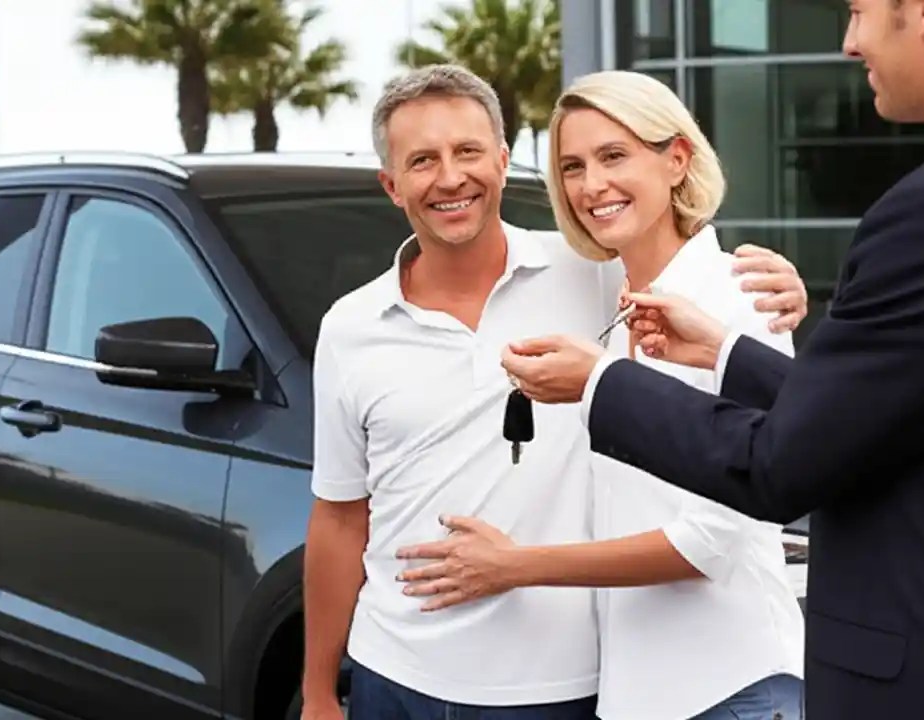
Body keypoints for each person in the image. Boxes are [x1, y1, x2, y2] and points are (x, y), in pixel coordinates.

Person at [497, 2, 924, 718]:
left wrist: (600, 385)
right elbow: (877, 416)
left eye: (858, 11)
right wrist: (728, 354)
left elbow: (781, 466)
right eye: (572, 168)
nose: (849, 42)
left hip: (821, 680)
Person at [300, 63, 810, 720]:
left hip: (586, 688)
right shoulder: (350, 327)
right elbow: (340, 516)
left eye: (468, 151)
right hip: (398, 674)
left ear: (503, 160)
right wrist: (318, 691)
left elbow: (718, 531)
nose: (450, 177)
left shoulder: (595, 275)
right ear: (392, 184)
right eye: (422, 160)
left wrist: (766, 292)